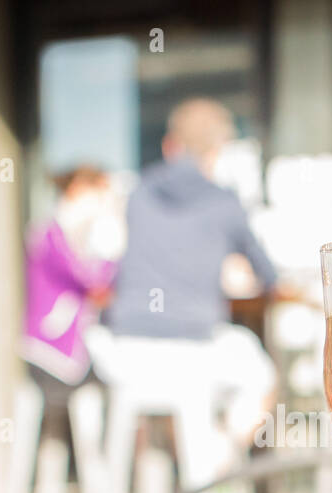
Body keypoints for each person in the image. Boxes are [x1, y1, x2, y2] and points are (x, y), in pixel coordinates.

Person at [102, 99, 281, 453]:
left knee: (183, 399)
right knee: (262, 377)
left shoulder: (136, 194)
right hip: (195, 345)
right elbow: (269, 276)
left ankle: (191, 466)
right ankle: (217, 461)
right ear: (217, 150)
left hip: (125, 349)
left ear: (171, 145)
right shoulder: (225, 203)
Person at [22, 165, 118, 405]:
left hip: (75, 351)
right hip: (49, 352)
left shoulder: (79, 237)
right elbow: (92, 283)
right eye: (100, 192)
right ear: (77, 189)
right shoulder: (48, 233)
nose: (104, 201)